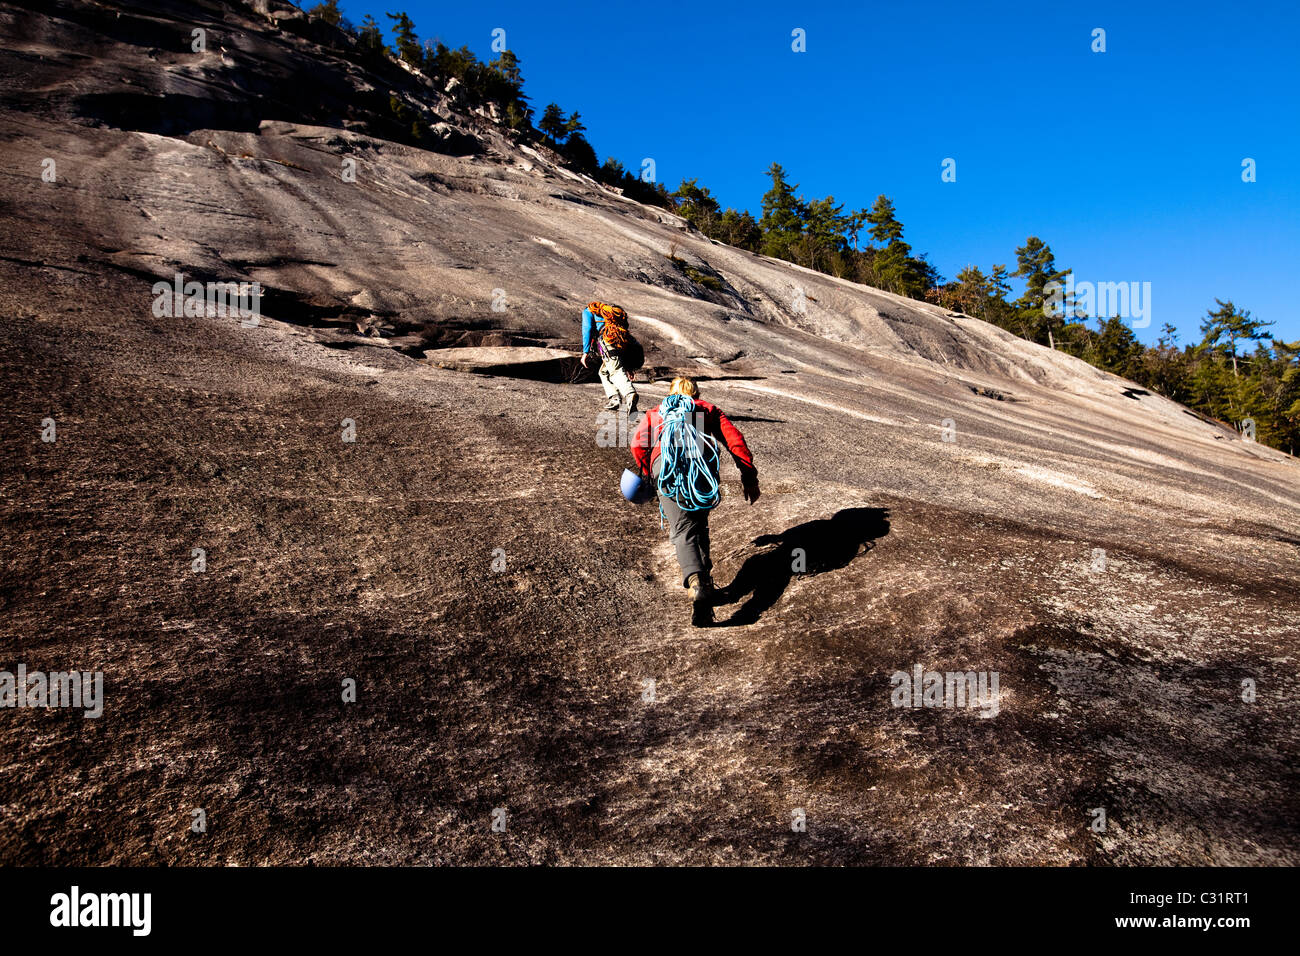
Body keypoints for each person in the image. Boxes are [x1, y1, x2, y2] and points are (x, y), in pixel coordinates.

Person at [631, 377, 759, 626]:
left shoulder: (657, 413)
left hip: (665, 466)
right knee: (699, 525)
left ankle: (697, 581)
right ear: (696, 393)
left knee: (682, 529)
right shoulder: (706, 409)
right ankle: (704, 584)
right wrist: (749, 477)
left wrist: (647, 472)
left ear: (670, 393)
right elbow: (735, 441)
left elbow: (638, 445)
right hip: (701, 468)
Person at [580, 300, 639, 414]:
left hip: (607, 340)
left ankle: (629, 394)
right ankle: (614, 398)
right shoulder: (612, 314)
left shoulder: (588, 311)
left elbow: (586, 329)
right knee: (604, 372)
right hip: (621, 341)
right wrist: (629, 367)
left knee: (615, 370)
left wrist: (585, 352)